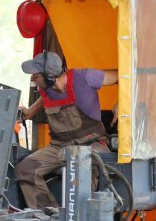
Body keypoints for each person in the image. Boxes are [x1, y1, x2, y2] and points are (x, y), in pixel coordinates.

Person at [14, 51, 118, 210]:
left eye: (36, 75)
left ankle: (80, 218)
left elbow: (121, 75)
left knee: (80, 170)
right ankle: (48, 216)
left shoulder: (85, 77)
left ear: (50, 77)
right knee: (25, 169)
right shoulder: (47, 88)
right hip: (59, 147)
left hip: (92, 145)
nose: (32, 78)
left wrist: (122, 103)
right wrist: (29, 112)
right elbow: (46, 99)